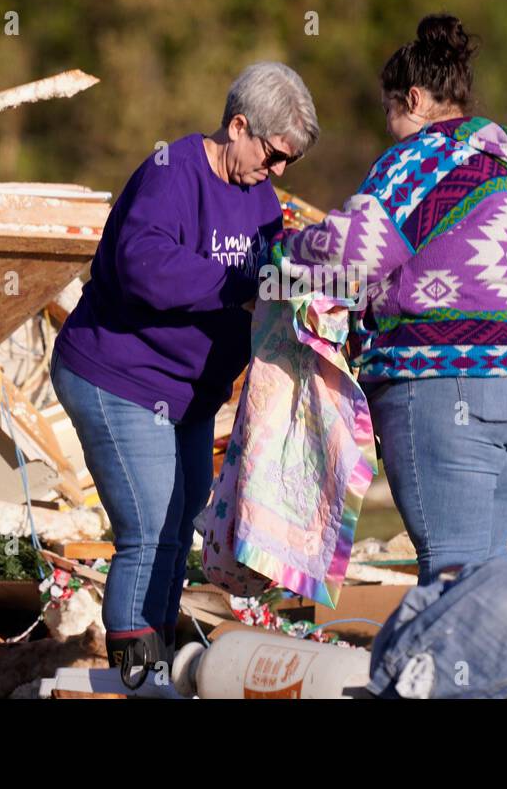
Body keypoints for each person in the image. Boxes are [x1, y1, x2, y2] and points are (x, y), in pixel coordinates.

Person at [275, 14, 507, 586]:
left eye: (388, 108)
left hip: (453, 380)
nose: (388, 125)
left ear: (412, 98)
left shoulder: (422, 158)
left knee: (449, 577)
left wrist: (280, 252)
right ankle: (504, 672)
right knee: (483, 576)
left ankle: (443, 676)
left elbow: (351, 255)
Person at [52, 62, 318, 684]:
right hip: (118, 377)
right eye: (276, 155)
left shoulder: (262, 201)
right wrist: (239, 282)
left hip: (189, 398)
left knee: (178, 530)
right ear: (238, 126)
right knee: (145, 531)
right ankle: (134, 683)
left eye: (291, 165)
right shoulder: (171, 173)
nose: (278, 172)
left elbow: (269, 278)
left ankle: (158, 671)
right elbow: (144, 266)